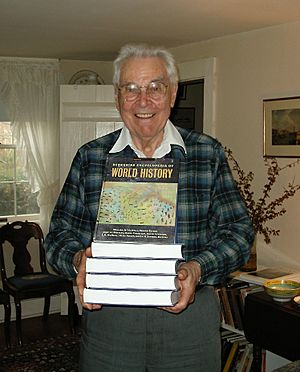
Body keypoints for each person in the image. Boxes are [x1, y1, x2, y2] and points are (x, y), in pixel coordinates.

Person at [45, 44, 255, 371]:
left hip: (188, 320)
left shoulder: (207, 154)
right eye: (131, 89)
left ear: (172, 94)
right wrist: (77, 261)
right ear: (117, 98)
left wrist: (197, 268)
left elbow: (239, 234)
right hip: (110, 321)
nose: (143, 100)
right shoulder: (91, 158)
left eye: (155, 87)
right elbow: (57, 237)